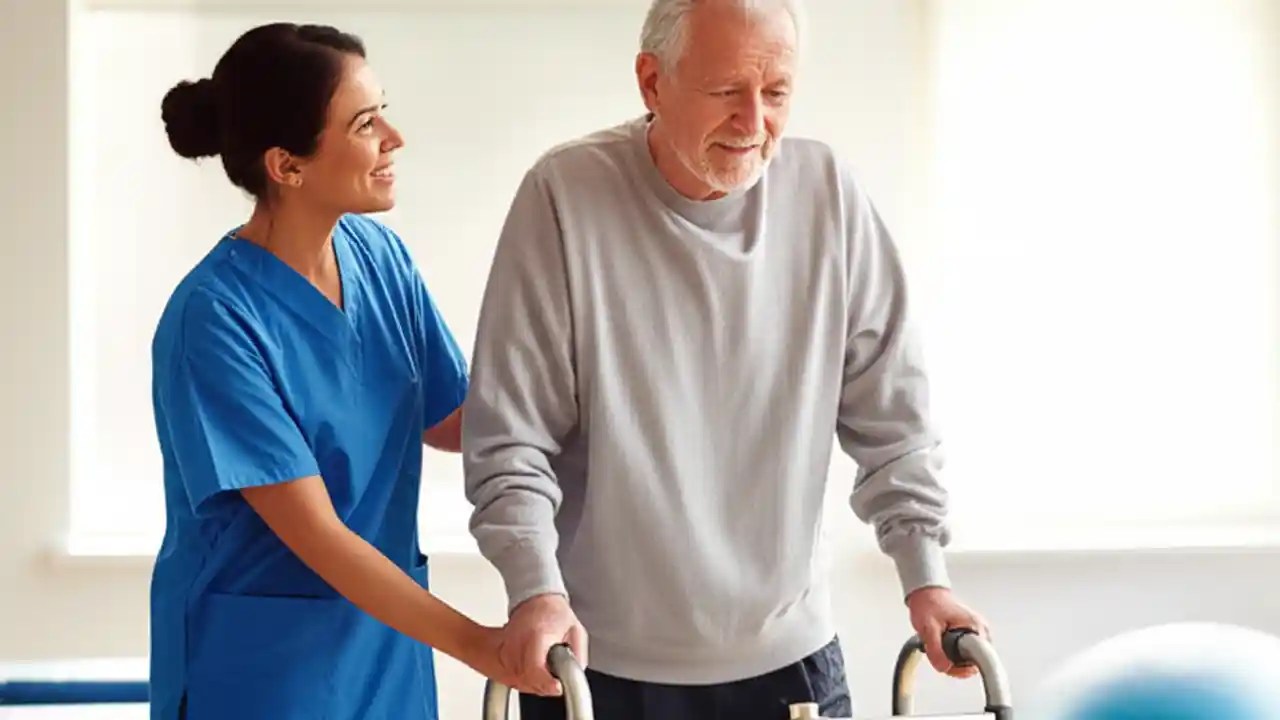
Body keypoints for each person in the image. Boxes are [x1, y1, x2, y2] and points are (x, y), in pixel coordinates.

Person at [461, 0, 992, 717]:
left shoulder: (828, 196)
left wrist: (926, 577)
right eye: (725, 92)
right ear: (652, 82)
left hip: (789, 665)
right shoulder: (565, 197)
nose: (754, 122)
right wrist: (535, 591)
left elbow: (893, 417)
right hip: (600, 663)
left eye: (776, 94)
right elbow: (510, 441)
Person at [149, 22, 519, 720]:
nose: (394, 138)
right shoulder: (216, 319)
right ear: (286, 164)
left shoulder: (382, 259)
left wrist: (601, 406)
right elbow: (316, 533)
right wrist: (481, 646)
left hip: (384, 648)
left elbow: (450, 419)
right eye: (365, 123)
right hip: (265, 670)